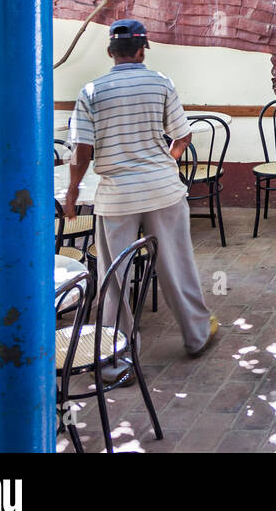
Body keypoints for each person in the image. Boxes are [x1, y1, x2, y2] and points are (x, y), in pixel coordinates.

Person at [64, 19, 218, 370]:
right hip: (163, 190)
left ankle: (114, 358)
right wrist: (167, 162)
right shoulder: (161, 83)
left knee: (113, 275)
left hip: (117, 197)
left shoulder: (91, 91)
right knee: (177, 265)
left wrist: (73, 192)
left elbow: (81, 151)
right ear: (142, 49)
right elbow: (183, 136)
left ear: (109, 53)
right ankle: (196, 334)